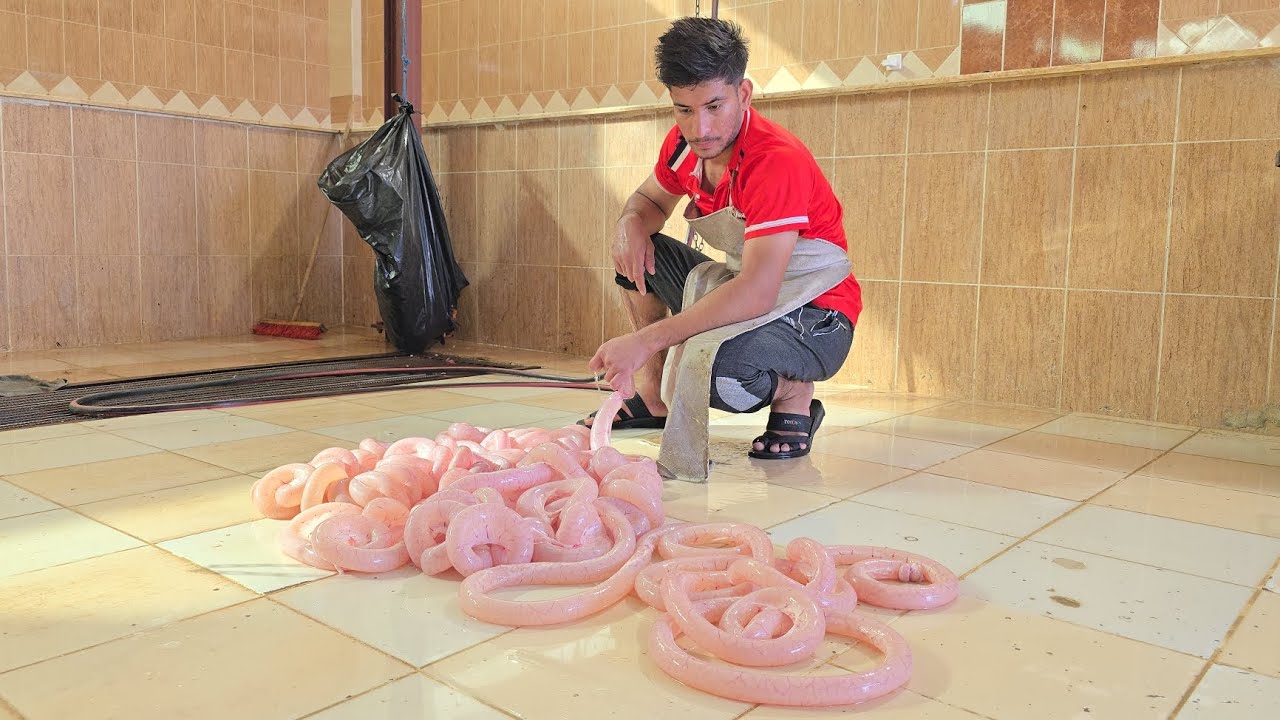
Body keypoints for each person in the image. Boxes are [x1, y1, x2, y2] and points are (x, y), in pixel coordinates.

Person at [582, 17, 862, 461]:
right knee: (636, 257)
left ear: (743, 94)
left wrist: (647, 340)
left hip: (817, 316)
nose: (701, 129)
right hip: (746, 282)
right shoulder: (682, 146)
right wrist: (630, 224)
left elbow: (756, 290)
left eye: (715, 106)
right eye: (684, 110)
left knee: (711, 372)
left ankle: (794, 392)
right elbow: (647, 203)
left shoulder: (775, 162)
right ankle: (651, 397)